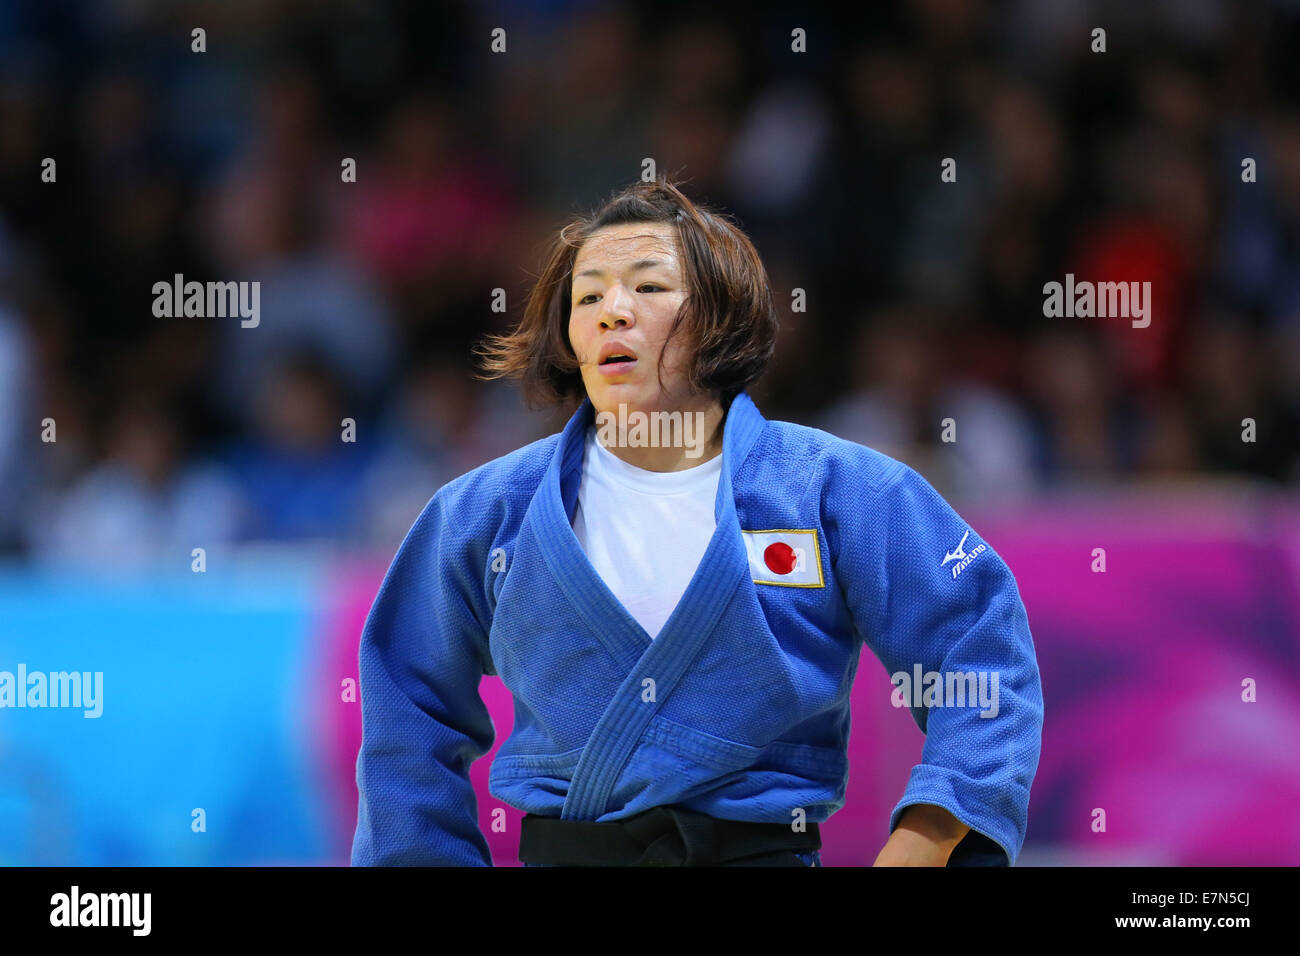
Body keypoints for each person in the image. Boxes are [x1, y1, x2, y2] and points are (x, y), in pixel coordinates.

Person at [351, 177, 1043, 867]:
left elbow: (979, 656)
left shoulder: (834, 490)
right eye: (588, 296)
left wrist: (929, 834)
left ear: (721, 316)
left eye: (647, 288)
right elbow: (407, 709)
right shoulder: (484, 513)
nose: (612, 312)